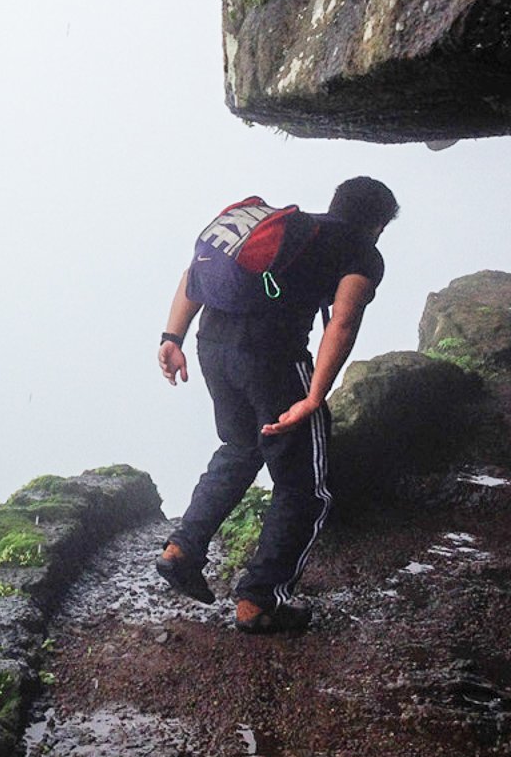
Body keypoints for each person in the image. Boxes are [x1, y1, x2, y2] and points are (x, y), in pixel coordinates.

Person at [154, 177, 398, 633]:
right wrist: (313, 396)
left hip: (212, 344)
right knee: (305, 484)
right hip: (270, 357)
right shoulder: (361, 251)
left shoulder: (299, 231)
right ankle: (261, 601)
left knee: (241, 447)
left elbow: (193, 276)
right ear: (379, 224)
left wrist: (172, 338)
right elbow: (342, 323)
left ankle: (181, 551)